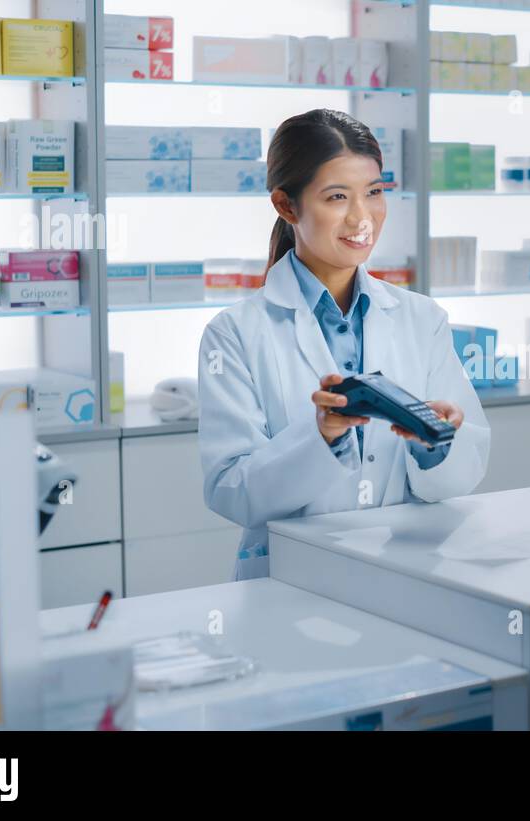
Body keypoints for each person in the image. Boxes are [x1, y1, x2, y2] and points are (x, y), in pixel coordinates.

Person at [198, 109, 489, 581]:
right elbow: (231, 491)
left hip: (407, 571)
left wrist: (437, 444)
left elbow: (466, 470)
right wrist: (321, 436)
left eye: (374, 193)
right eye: (337, 197)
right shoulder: (235, 333)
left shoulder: (422, 319)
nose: (362, 217)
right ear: (287, 206)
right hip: (293, 581)